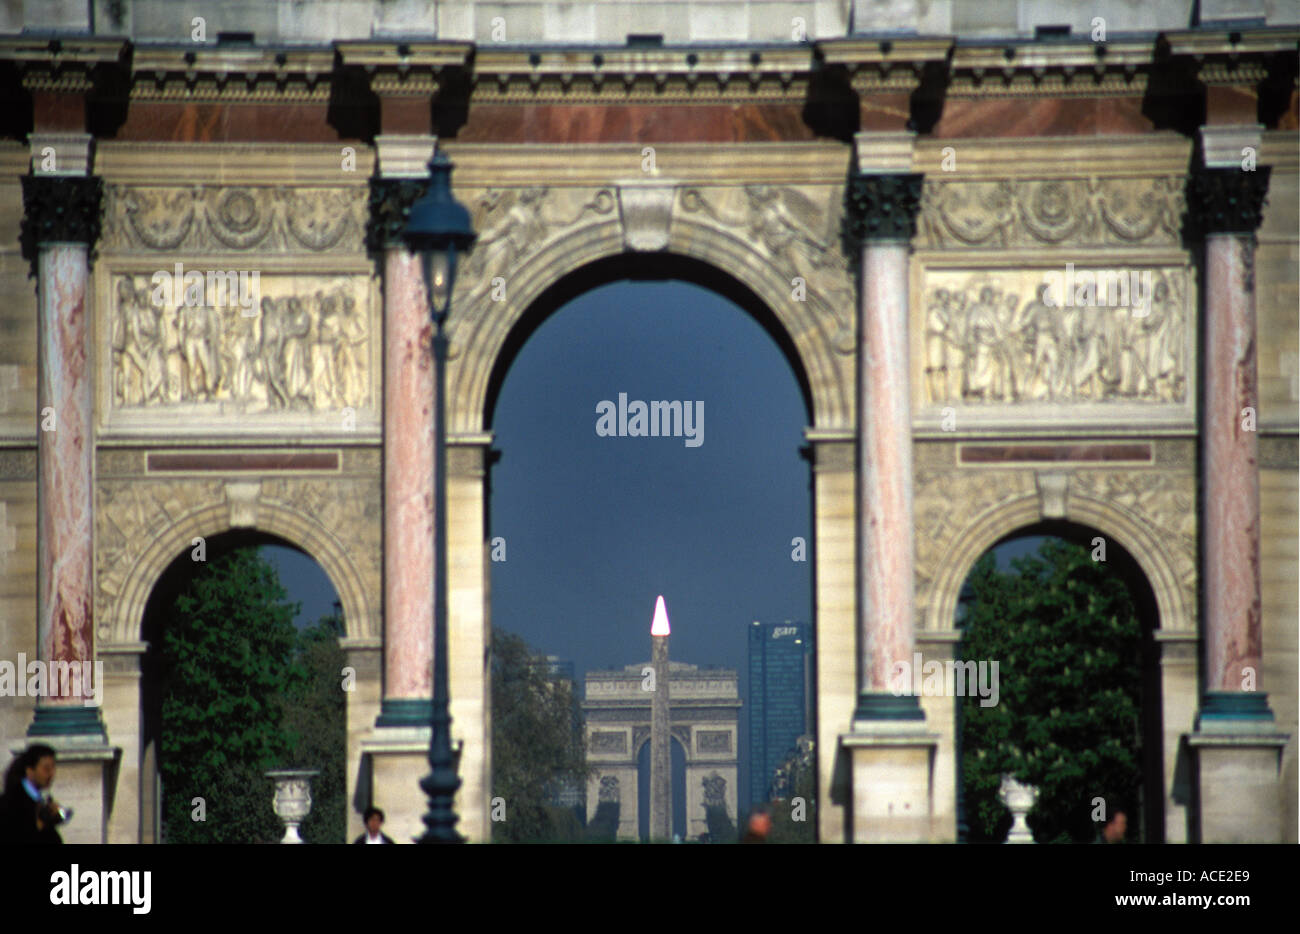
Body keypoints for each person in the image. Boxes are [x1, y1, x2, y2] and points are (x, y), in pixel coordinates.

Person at [0, 744, 66, 844]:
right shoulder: (11, 802)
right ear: (30, 771)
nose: (52, 774)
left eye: (53, 768)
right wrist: (42, 822)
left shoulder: (41, 800)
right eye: (46, 769)